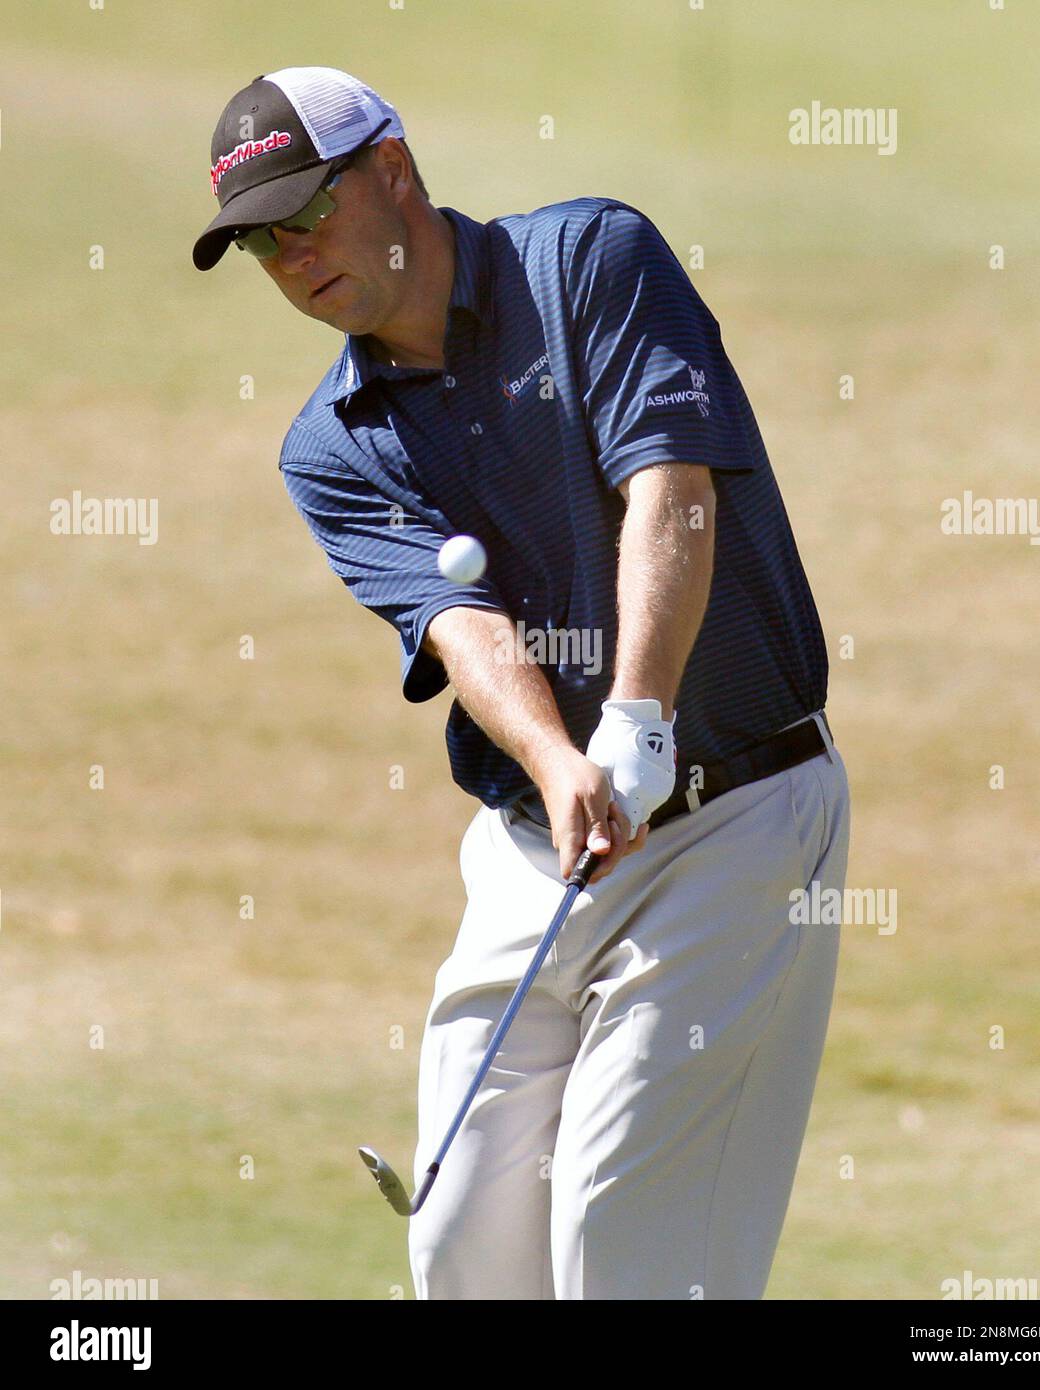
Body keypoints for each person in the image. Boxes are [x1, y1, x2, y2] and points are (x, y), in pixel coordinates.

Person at [193, 66, 851, 1300]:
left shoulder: (592, 261)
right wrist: (562, 765)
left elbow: (673, 489)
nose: (287, 259)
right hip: (534, 844)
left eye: (303, 216)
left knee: (625, 1247)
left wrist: (637, 718)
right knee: (458, 1251)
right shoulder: (329, 446)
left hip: (737, 815)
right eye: (256, 245)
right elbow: (463, 625)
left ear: (391, 170)